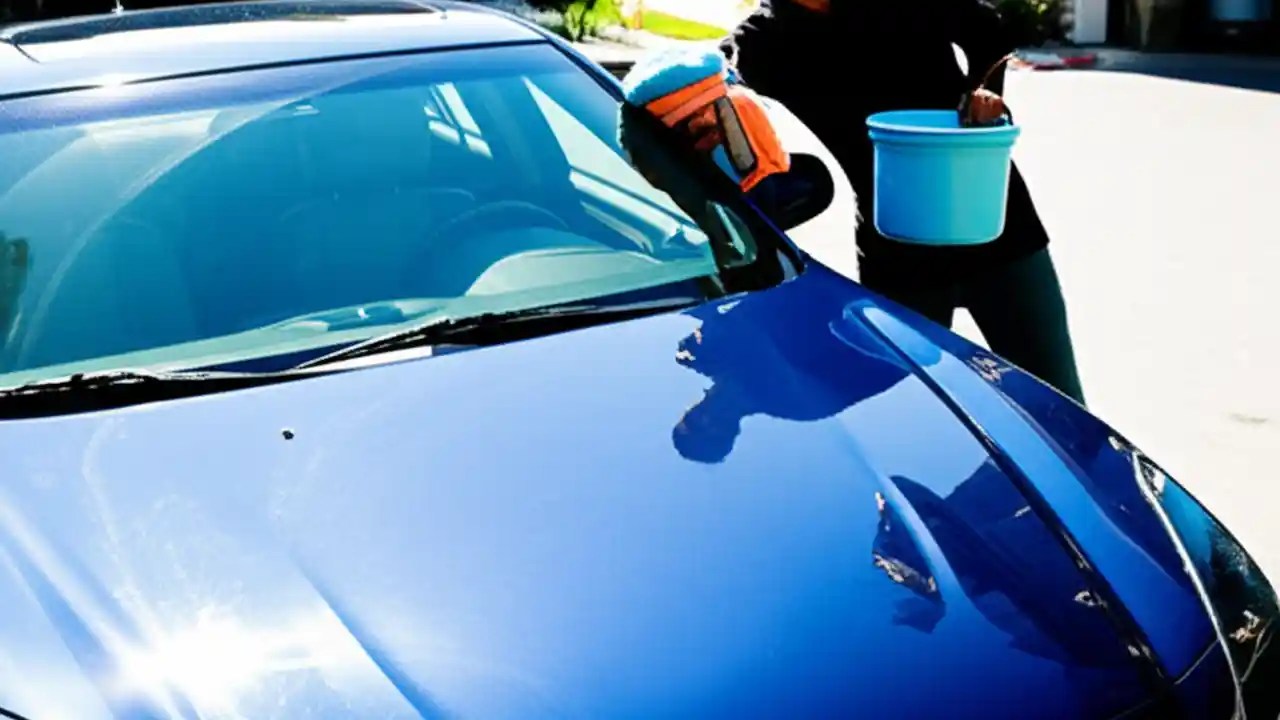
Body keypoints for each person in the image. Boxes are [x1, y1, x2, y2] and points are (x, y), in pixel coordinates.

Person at [721, 0, 1087, 406]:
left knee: (1062, 407)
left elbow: (986, 27)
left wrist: (985, 90)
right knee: (910, 415)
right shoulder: (762, 44)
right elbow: (707, 93)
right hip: (898, 252)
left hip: (996, 224)